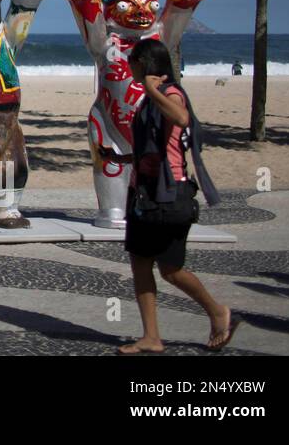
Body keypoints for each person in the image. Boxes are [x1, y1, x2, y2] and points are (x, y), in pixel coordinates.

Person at [101, 38, 237, 353]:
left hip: (169, 193)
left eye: (133, 61)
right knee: (140, 263)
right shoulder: (152, 99)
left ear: (145, 63)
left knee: (171, 269)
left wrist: (150, 90)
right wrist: (120, 158)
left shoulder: (169, 93)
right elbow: (151, 147)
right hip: (145, 192)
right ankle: (151, 336)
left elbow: (181, 119)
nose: (129, 66)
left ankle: (218, 312)